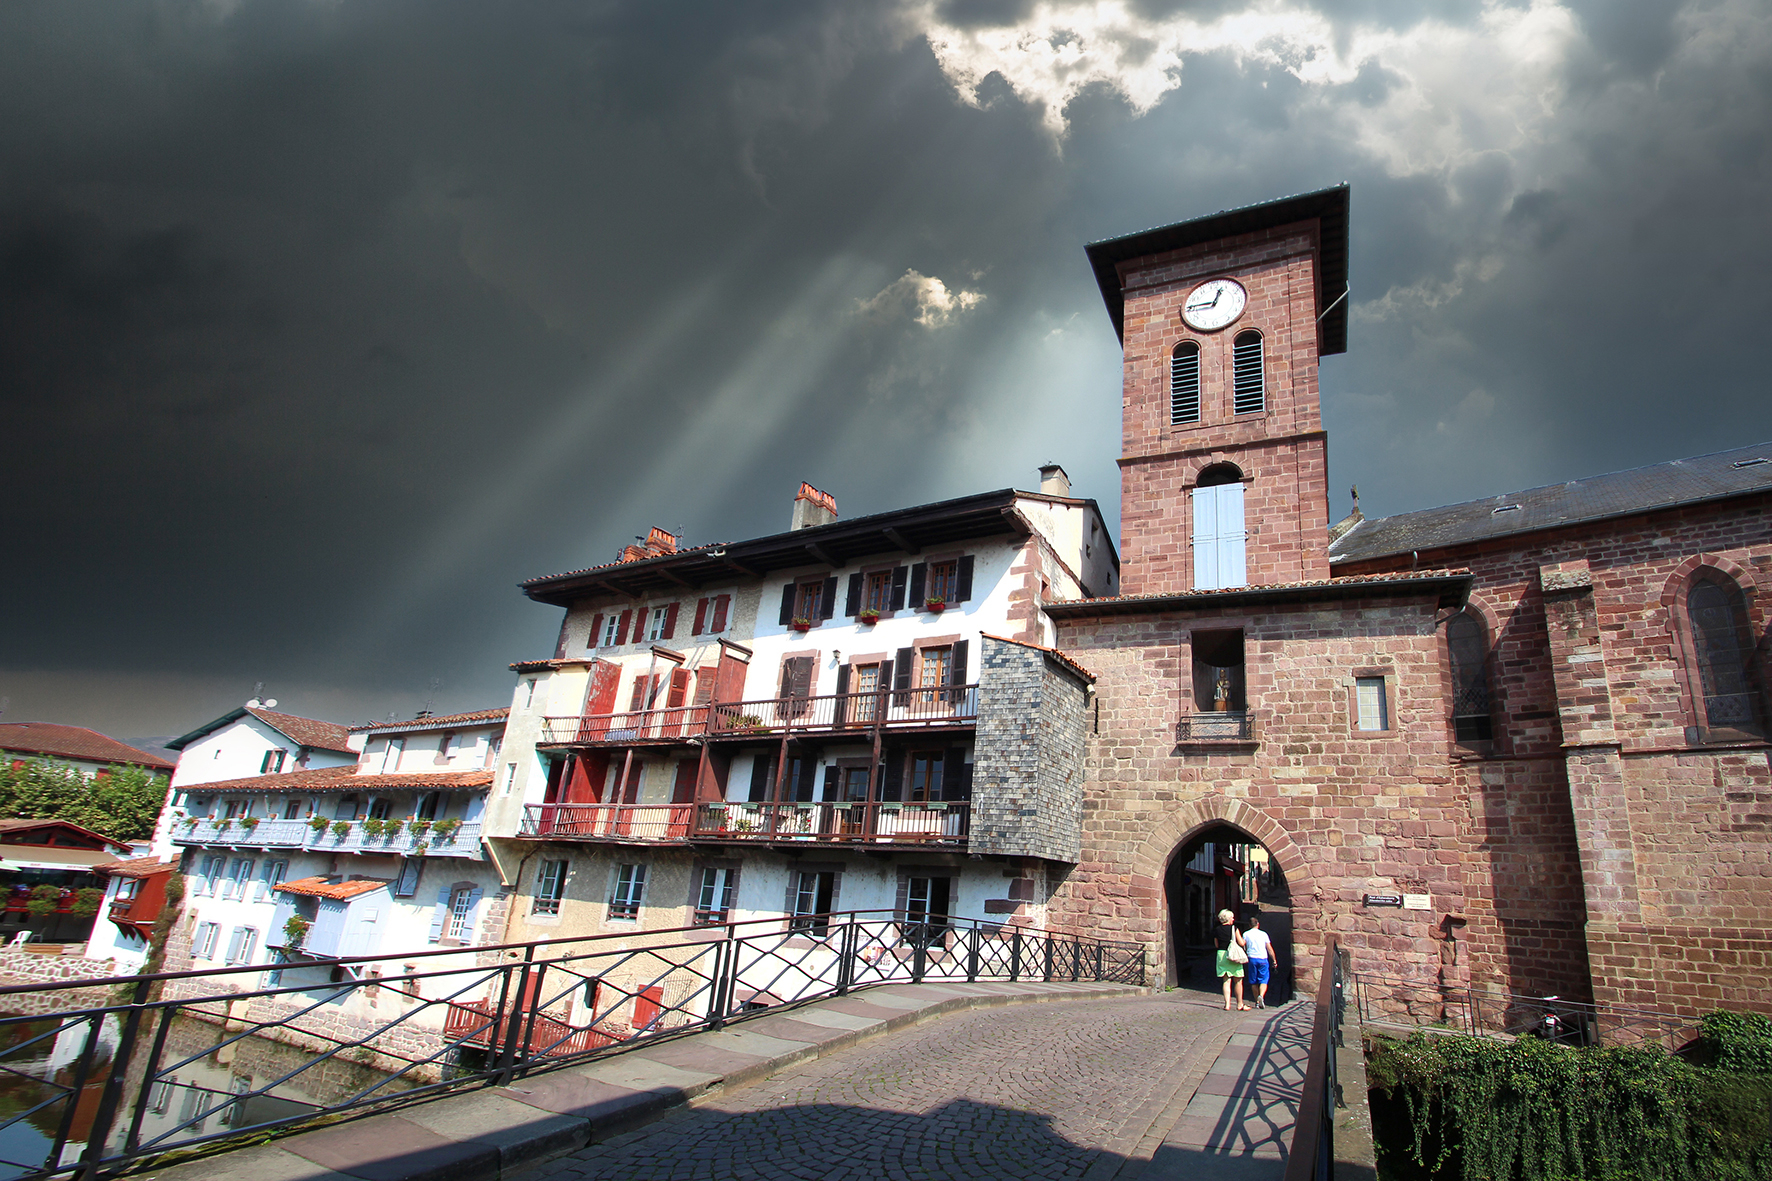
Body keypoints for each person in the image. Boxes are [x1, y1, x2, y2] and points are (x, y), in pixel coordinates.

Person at [1214, 908, 1249, 1011]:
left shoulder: (1217, 929)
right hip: (1233, 955)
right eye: (1232, 918)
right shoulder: (1234, 928)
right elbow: (1241, 943)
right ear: (1229, 919)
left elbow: (1216, 944)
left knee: (1226, 980)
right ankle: (1239, 1004)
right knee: (1238, 980)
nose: (1233, 919)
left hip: (1221, 954)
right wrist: (1244, 941)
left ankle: (1227, 1005)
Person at [1241, 913, 1276, 1009]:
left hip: (1252, 958)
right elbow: (1269, 948)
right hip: (1263, 958)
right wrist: (1274, 960)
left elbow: (1243, 946)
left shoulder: (1246, 934)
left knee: (1253, 981)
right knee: (1263, 980)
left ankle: (1257, 1001)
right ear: (1258, 924)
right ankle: (1261, 995)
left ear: (1249, 925)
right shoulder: (1264, 934)